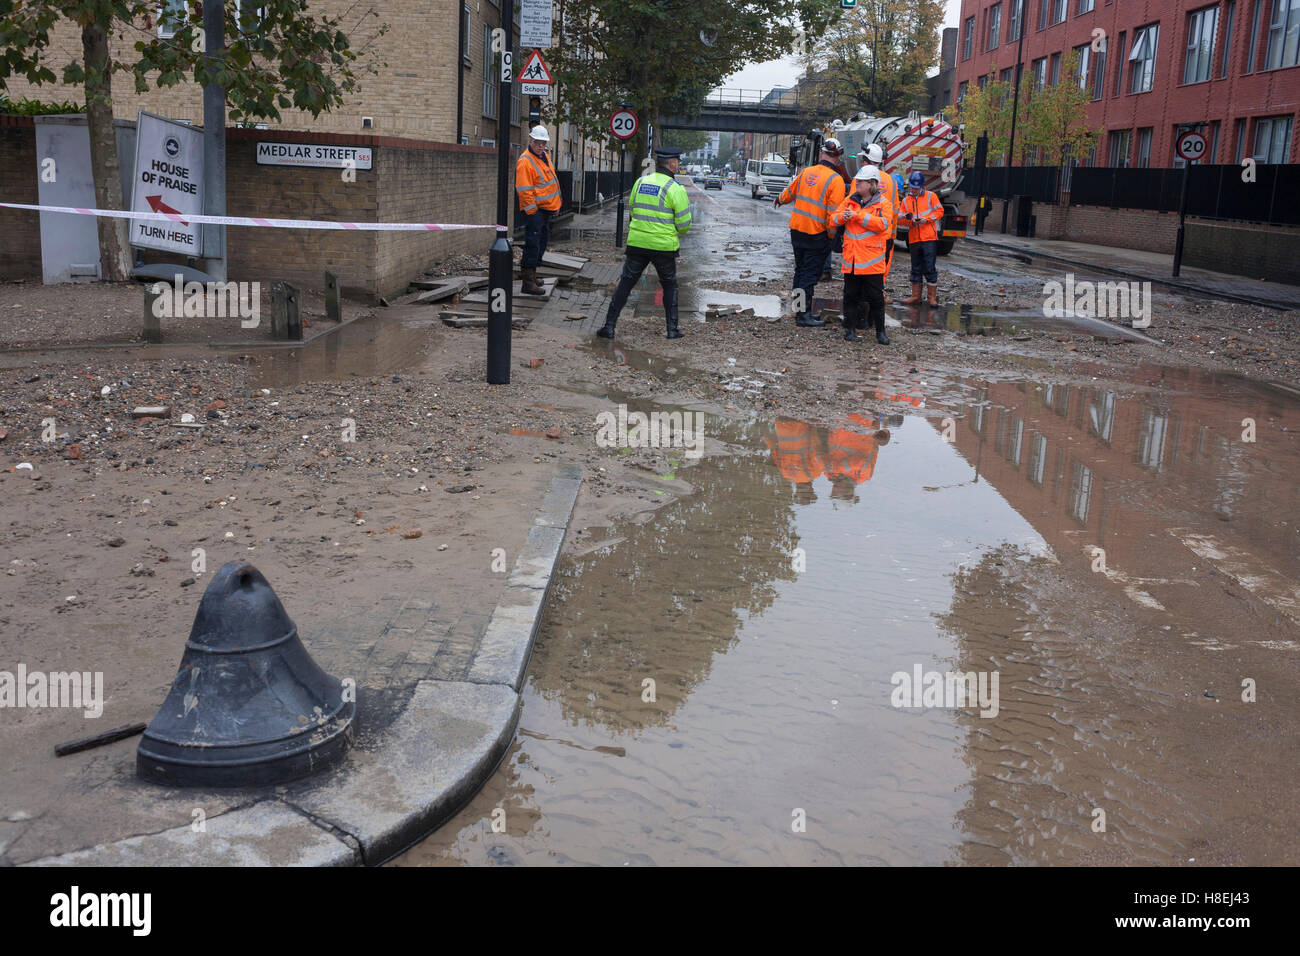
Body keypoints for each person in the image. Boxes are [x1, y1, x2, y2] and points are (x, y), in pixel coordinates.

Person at [596, 146, 692, 340]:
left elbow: (632, 211)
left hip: (638, 244)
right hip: (663, 247)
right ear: (672, 163)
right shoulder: (675, 188)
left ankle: (608, 327)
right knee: (669, 285)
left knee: (625, 283)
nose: (679, 164)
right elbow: (684, 226)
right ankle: (672, 330)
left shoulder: (641, 182)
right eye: (678, 161)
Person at [774, 139, 847, 327]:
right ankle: (803, 315)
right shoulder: (835, 180)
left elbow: (790, 192)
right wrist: (831, 237)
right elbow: (833, 216)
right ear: (838, 157)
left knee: (800, 272)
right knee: (809, 275)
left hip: (797, 230)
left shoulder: (807, 172)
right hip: (816, 235)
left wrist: (779, 199)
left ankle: (800, 311)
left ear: (821, 154)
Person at [831, 165, 892, 344]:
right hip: (852, 260)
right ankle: (849, 330)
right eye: (857, 181)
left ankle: (881, 332)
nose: (857, 184)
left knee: (876, 299)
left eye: (861, 181)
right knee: (850, 296)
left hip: (872, 262)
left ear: (872, 184)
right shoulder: (849, 201)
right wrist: (843, 217)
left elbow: (884, 225)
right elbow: (832, 219)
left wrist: (857, 216)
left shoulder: (883, 204)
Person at [516, 125, 563, 295]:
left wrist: (555, 206)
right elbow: (524, 190)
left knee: (540, 244)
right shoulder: (525, 161)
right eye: (537, 142)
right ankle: (527, 283)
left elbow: (551, 183)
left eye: (543, 143)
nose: (540, 146)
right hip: (535, 212)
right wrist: (532, 212)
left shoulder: (544, 157)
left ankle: (532, 276)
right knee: (532, 245)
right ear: (531, 141)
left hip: (544, 211)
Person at [858, 143, 900, 302]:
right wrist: (892, 234)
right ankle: (876, 297)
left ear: (865, 160)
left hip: (863, 233)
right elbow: (895, 209)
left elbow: (852, 205)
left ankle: (862, 303)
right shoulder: (890, 180)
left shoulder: (861, 177)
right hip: (884, 233)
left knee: (862, 269)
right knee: (879, 268)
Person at [899, 171, 943, 307]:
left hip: (929, 237)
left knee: (929, 267)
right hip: (914, 239)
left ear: (922, 186)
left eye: (916, 188)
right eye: (912, 187)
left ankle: (931, 298)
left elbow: (940, 211)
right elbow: (899, 219)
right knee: (916, 267)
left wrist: (926, 220)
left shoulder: (931, 196)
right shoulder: (906, 201)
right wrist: (911, 222)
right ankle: (916, 296)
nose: (914, 190)